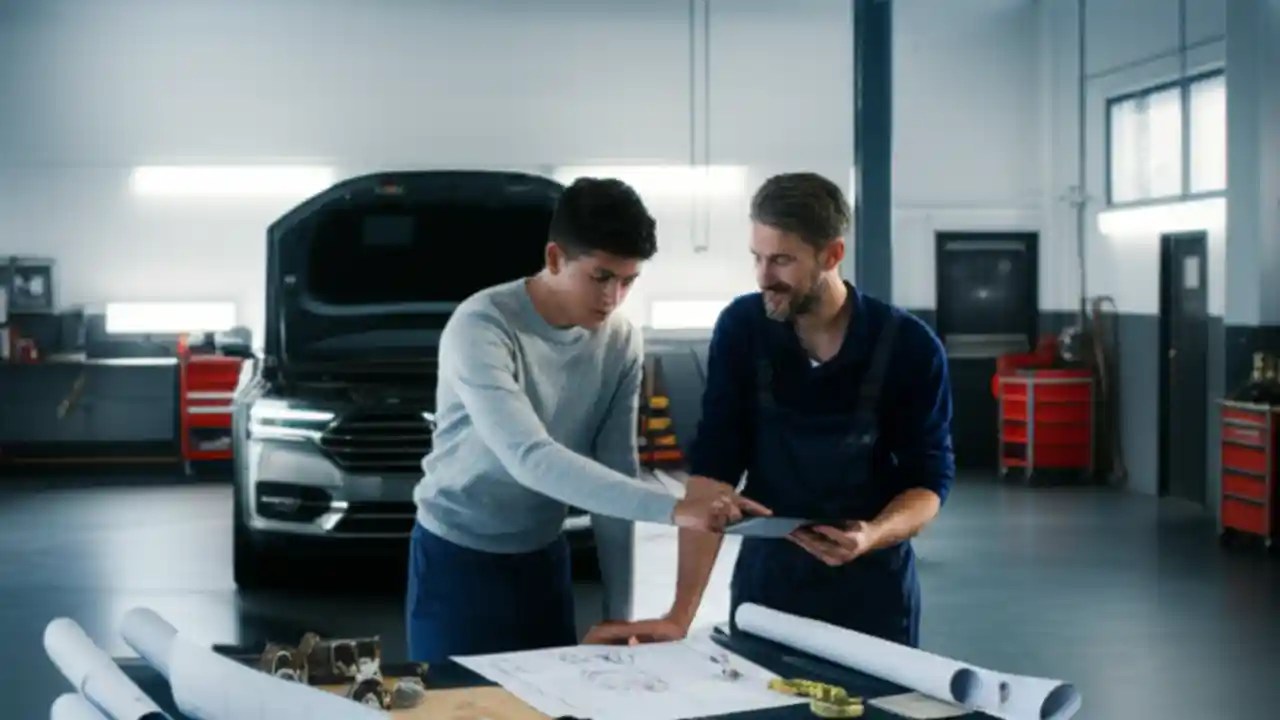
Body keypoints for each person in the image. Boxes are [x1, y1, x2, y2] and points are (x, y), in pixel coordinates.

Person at [584, 172, 954, 649]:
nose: (763, 276)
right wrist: (679, 616)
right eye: (757, 257)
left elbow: (929, 482)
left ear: (831, 255)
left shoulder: (910, 347)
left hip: (873, 596)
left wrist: (873, 534)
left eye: (782, 260)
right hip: (768, 593)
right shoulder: (743, 328)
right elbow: (714, 469)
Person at [407, 177, 769, 663]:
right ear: (555, 258)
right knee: (457, 702)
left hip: (543, 559)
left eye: (628, 281)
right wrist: (676, 508)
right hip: (456, 558)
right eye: (601, 277)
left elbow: (617, 468)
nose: (614, 297)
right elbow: (529, 457)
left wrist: (620, 614)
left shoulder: (620, 340)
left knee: (550, 697)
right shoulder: (481, 326)